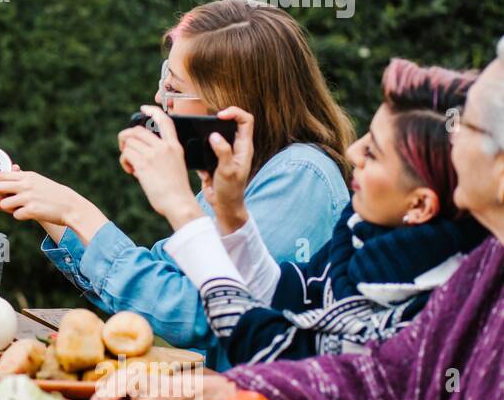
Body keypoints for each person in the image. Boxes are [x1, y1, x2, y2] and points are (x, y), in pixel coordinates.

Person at [91, 35, 504, 400]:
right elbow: (383, 376)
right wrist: (226, 387)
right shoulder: (478, 262)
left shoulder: (450, 274)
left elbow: (291, 346)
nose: (352, 153)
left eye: (467, 128)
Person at [0, 0, 352, 366]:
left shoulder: (300, 177)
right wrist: (49, 209)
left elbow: (196, 314)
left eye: (173, 87)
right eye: (164, 77)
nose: (159, 98)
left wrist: (78, 212)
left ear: (228, 103)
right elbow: (152, 284)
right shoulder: (234, 176)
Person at [119, 58, 486, 364]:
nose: (353, 153)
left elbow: (279, 350)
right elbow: (284, 295)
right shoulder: (361, 240)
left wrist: (182, 209)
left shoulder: (434, 309)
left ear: (420, 205)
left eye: (373, 152)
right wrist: (230, 210)